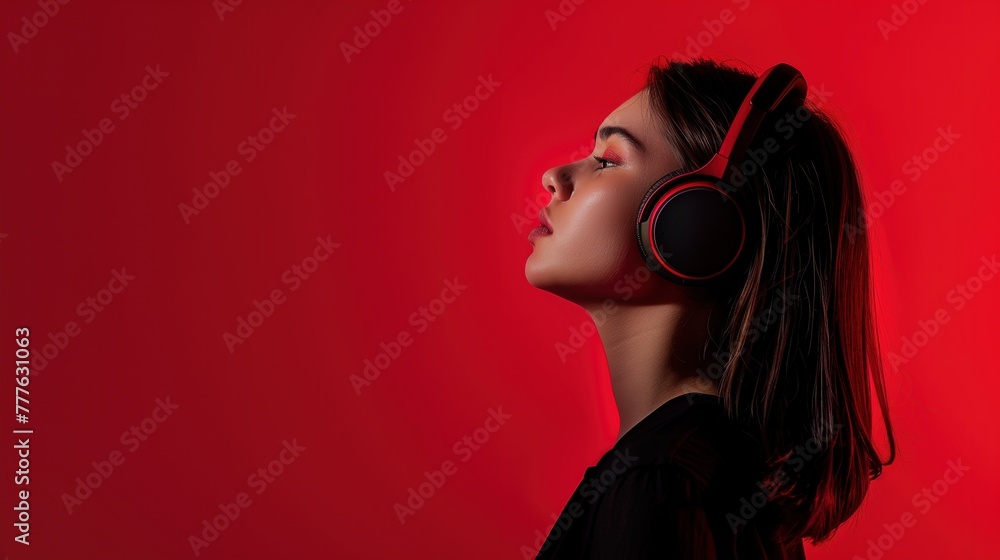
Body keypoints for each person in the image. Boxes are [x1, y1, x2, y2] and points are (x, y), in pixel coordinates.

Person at [524, 57, 897, 558]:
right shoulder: (709, 473)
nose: (554, 176)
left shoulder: (660, 485)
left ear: (696, 221)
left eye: (608, 160)